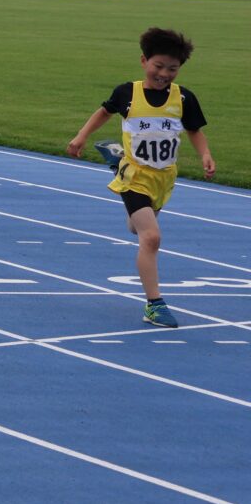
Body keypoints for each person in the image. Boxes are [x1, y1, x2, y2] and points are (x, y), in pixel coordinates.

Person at [66, 28, 216, 329]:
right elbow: (104, 112)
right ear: (144, 61)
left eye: (172, 69)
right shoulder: (127, 93)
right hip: (135, 174)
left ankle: (115, 163)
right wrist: (81, 136)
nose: (164, 74)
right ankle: (154, 304)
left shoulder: (183, 98)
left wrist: (205, 154)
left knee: (137, 227)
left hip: (164, 177)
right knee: (151, 237)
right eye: (158, 66)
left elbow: (194, 130)